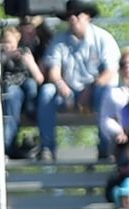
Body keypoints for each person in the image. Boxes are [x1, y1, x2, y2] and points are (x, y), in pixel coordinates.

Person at [39, 0, 122, 161]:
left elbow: (110, 72)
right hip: (68, 92)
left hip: (95, 92)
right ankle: (48, 148)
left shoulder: (103, 38)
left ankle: (106, 148)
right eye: (70, 15)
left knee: (107, 94)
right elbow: (53, 71)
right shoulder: (60, 40)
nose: (73, 18)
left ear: (88, 16)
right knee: (47, 92)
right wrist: (61, 84)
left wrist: (89, 90)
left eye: (77, 14)